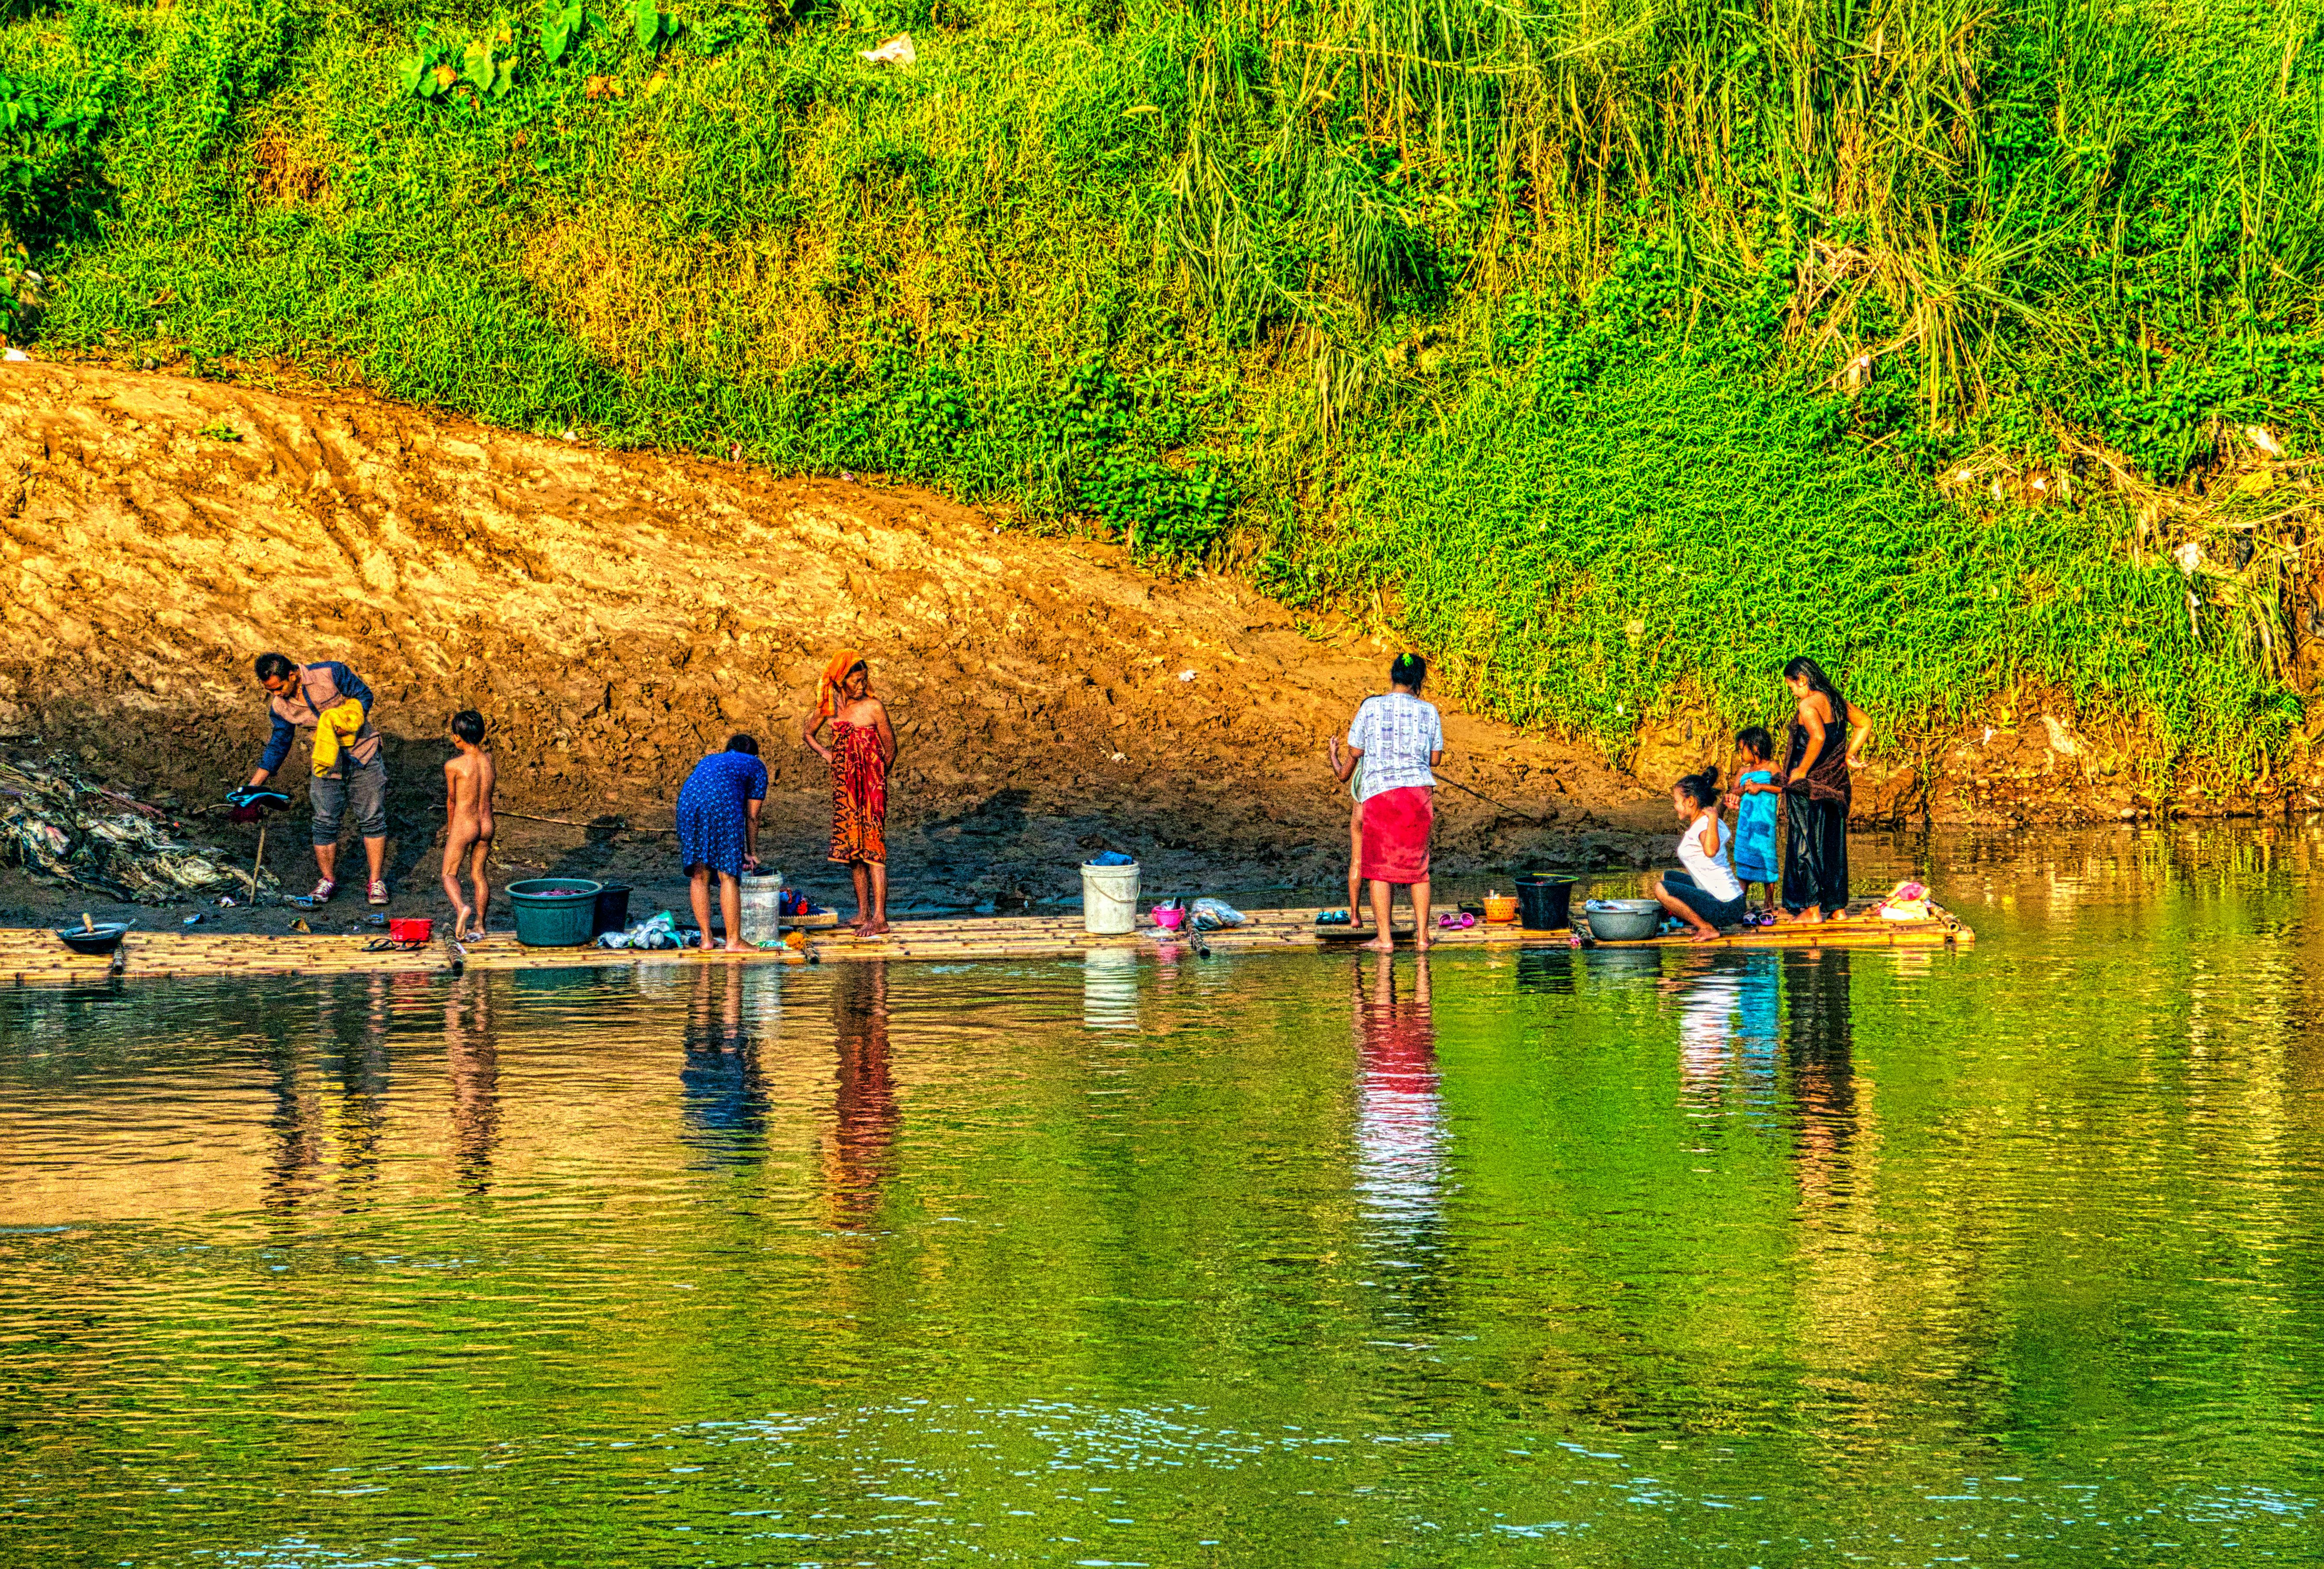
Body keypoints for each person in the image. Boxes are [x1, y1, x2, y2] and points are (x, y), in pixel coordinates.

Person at [246, 651, 391, 905]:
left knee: (372, 818)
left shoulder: (331, 673)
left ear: (293, 675)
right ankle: (327, 881)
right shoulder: (280, 707)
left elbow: (364, 695)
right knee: (324, 821)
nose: (277, 694)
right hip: (326, 762)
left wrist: (349, 720)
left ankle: (376, 882)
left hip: (363, 752)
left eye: (279, 688)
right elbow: (278, 744)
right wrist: (254, 785)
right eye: (270, 691)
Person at [1331, 654, 1445, 953]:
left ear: (1393, 676)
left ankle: (1385, 939)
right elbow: (1435, 759)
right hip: (1419, 794)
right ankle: (1422, 937)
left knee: (1379, 869)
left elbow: (1356, 749)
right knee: (1419, 867)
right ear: (1418, 682)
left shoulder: (1371, 707)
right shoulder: (1430, 711)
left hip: (1381, 793)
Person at [802, 651, 897, 936]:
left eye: (864, 679)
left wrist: (877, 781)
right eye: (856, 680)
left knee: (874, 850)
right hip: (845, 790)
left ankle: (880, 918)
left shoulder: (874, 707)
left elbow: (891, 748)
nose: (861, 685)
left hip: (871, 790)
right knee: (854, 852)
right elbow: (808, 733)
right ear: (841, 680)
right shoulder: (829, 709)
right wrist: (826, 754)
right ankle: (863, 913)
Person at [1777, 657, 1873, 923]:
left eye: (1792, 687)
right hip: (1837, 783)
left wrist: (1802, 770)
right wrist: (1849, 754)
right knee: (1832, 844)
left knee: (1804, 842)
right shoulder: (1835, 700)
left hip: (1809, 787)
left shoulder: (1807, 705)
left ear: (1803, 680)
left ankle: (1812, 909)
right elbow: (1865, 722)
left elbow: (1818, 737)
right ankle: (1838, 908)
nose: (1793, 693)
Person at [676, 734, 768, 952]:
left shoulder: (709, 760)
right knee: (728, 875)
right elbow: (753, 816)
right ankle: (734, 941)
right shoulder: (755, 765)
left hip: (688, 807)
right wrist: (751, 852)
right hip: (722, 809)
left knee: (699, 874)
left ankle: (706, 940)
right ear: (754, 753)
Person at [1650, 767, 1745, 942]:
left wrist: (1715, 816)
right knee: (1668, 877)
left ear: (1691, 801)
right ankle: (1692, 917)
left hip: (1725, 907)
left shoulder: (1706, 825)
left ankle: (1706, 928)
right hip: (1733, 902)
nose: (1675, 806)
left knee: (1660, 889)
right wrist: (1721, 808)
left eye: (1677, 801)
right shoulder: (1706, 822)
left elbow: (1711, 851)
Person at [440, 710, 496, 942]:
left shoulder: (454, 765)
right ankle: (480, 925)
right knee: (478, 874)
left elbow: (452, 800)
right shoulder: (489, 760)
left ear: (457, 737)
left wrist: (451, 828)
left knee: (449, 874)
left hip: (466, 822)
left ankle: (462, 908)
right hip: (487, 823)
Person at [1727, 725, 1782, 912]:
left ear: (1755, 748)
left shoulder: (1772, 767)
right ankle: (1741, 903)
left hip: (1765, 825)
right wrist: (1743, 791)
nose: (1740, 753)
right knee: (1744, 859)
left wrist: (1760, 787)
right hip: (1747, 825)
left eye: (1742, 749)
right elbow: (1734, 791)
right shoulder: (1743, 772)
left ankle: (1769, 903)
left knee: (1768, 860)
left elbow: (1783, 787)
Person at [1320, 738, 1366, 929]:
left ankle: (1355, 916)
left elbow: (1342, 775)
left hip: (1362, 808)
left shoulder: (1361, 740)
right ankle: (1387, 920)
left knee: (1357, 861)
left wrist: (1333, 753)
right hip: (1385, 806)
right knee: (1384, 864)